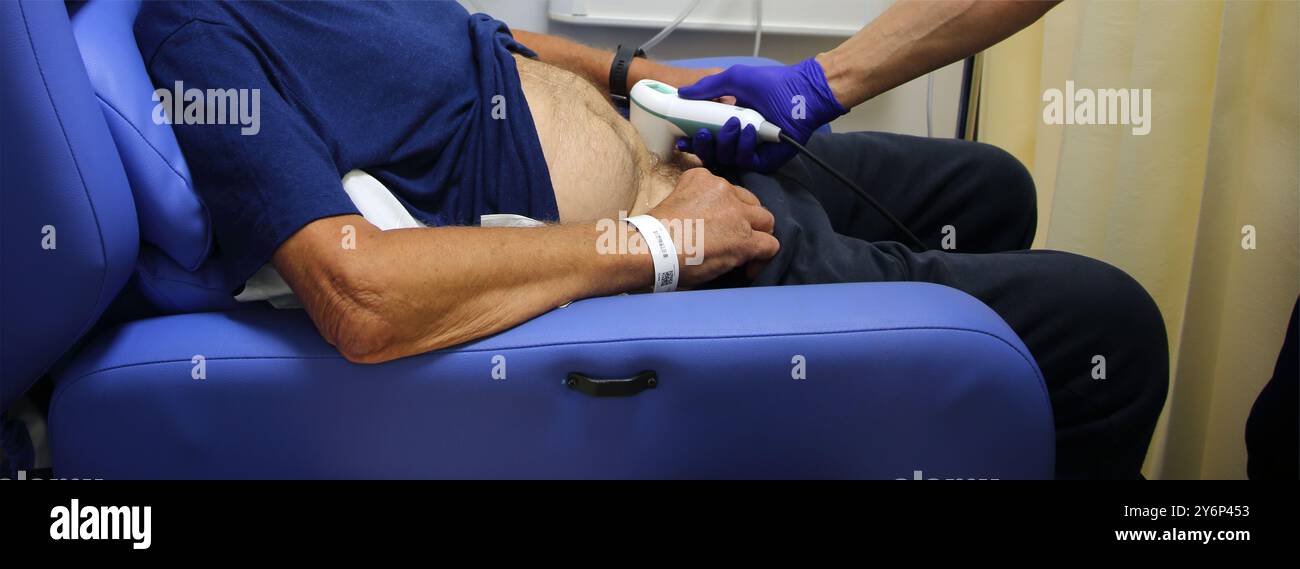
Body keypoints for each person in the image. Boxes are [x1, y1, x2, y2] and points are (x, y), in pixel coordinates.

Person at [136, 0, 1167, 478]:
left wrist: (644, 81)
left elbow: (484, 43)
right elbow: (354, 292)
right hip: (672, 254)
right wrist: (658, 242)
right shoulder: (198, 37)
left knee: (988, 186)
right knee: (1105, 333)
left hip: (688, 165)